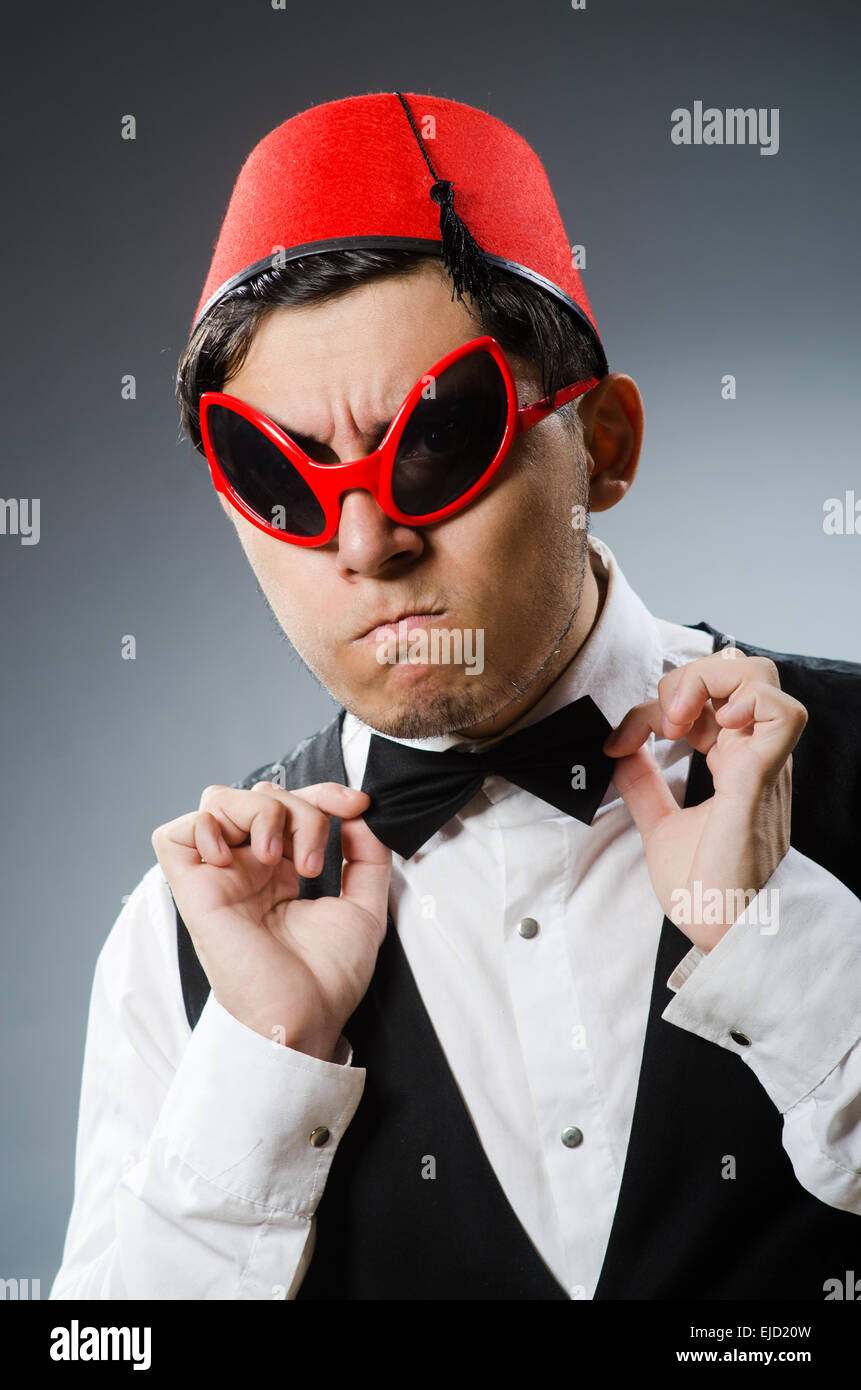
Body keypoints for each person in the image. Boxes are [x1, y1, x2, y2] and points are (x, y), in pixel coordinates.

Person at [51, 90, 861, 1301]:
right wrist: (264, 1064)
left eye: (436, 438)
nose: (366, 542)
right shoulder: (176, 947)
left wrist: (780, 946)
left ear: (604, 446)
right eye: (282, 479)